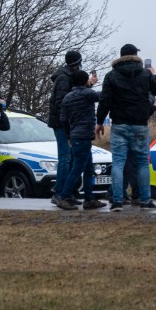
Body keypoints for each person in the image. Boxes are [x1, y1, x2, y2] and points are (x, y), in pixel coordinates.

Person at [95, 44, 156, 211]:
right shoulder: (144, 74)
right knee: (141, 162)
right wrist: (153, 74)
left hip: (119, 124)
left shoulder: (111, 75)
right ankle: (145, 199)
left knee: (118, 162)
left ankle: (117, 201)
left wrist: (99, 121)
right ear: (135, 56)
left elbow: (105, 100)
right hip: (140, 125)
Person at [46, 51, 96, 204]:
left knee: (73, 159)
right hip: (63, 124)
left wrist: (88, 84)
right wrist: (68, 124)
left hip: (69, 124)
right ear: (77, 64)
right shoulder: (63, 78)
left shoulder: (68, 77)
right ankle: (60, 192)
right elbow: (62, 102)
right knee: (66, 158)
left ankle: (70, 193)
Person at [55, 70, 106, 210]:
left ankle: (89, 198)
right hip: (83, 136)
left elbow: (63, 119)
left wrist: (69, 136)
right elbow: (102, 96)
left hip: (75, 136)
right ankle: (64, 196)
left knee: (88, 168)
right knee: (77, 168)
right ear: (85, 81)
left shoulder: (67, 98)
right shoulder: (87, 93)